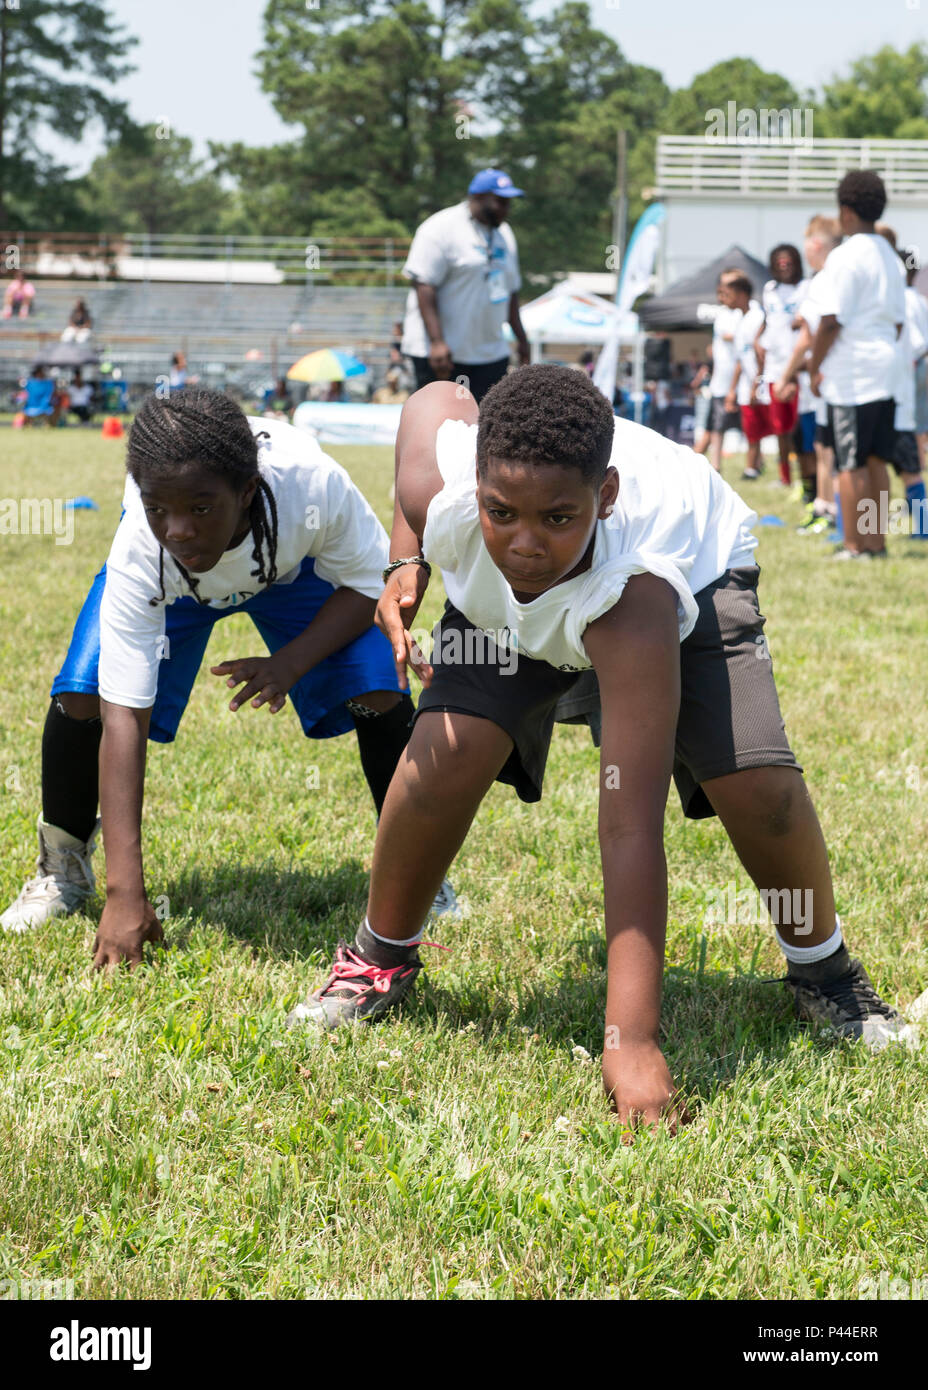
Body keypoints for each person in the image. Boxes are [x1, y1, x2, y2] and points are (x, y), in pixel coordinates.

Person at [287, 367, 915, 1131]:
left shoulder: (637, 595)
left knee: (754, 784)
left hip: (693, 570)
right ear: (474, 485)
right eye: (500, 512)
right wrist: (405, 557)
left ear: (604, 497)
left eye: (556, 517)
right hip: (508, 625)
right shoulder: (446, 487)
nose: (523, 543)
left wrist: (633, 1041)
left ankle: (825, 969)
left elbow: (627, 824)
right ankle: (379, 956)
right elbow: (429, 402)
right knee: (441, 755)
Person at [1, 389, 459, 953]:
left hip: (292, 574)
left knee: (378, 689)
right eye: (158, 509)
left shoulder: (311, 484)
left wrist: (291, 663)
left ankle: (418, 875)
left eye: (199, 508)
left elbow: (367, 584)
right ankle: (62, 867)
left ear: (245, 492)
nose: (177, 530)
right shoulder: (146, 546)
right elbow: (125, 712)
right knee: (85, 694)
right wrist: (126, 893)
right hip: (180, 591)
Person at [806, 171, 905, 560]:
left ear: (845, 212)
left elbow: (831, 321)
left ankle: (854, 545)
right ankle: (876, 543)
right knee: (877, 461)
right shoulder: (890, 256)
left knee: (850, 462)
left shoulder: (844, 256)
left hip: (853, 373)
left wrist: (815, 367)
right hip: (887, 368)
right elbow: (897, 322)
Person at [400, 168, 531, 401]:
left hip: (490, 352)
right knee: (439, 426)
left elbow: (510, 291)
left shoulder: (505, 234)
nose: (506, 209)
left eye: (508, 202)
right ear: (478, 197)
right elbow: (423, 286)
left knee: (486, 428)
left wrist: (521, 339)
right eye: (500, 202)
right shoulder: (439, 228)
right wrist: (437, 342)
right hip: (444, 355)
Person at [775, 216, 843, 534]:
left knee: (827, 448)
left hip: (832, 380)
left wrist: (789, 374)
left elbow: (810, 334)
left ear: (816, 244)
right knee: (835, 449)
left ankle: (830, 512)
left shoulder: (823, 279)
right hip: (849, 378)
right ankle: (832, 511)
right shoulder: (843, 275)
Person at [752, 246, 809, 490]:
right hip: (775, 369)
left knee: (801, 428)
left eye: (789, 263)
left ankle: (807, 479)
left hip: (799, 368)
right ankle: (785, 477)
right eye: (780, 264)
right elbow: (766, 320)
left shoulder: (806, 288)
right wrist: (758, 339)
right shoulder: (769, 290)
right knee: (780, 428)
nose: (785, 267)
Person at [723, 275, 768, 480]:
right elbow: (741, 358)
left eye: (728, 294)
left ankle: (752, 468)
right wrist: (733, 389)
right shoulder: (742, 318)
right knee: (751, 426)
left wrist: (756, 383)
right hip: (746, 384)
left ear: (741, 294)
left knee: (755, 427)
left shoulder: (757, 316)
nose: (725, 299)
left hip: (758, 383)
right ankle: (756, 464)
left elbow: (761, 353)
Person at [705, 273, 743, 473]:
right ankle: (715, 464)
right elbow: (728, 336)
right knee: (716, 426)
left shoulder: (742, 314)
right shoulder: (722, 315)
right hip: (721, 382)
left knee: (749, 426)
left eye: (726, 292)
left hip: (741, 380)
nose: (722, 297)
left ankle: (755, 464)